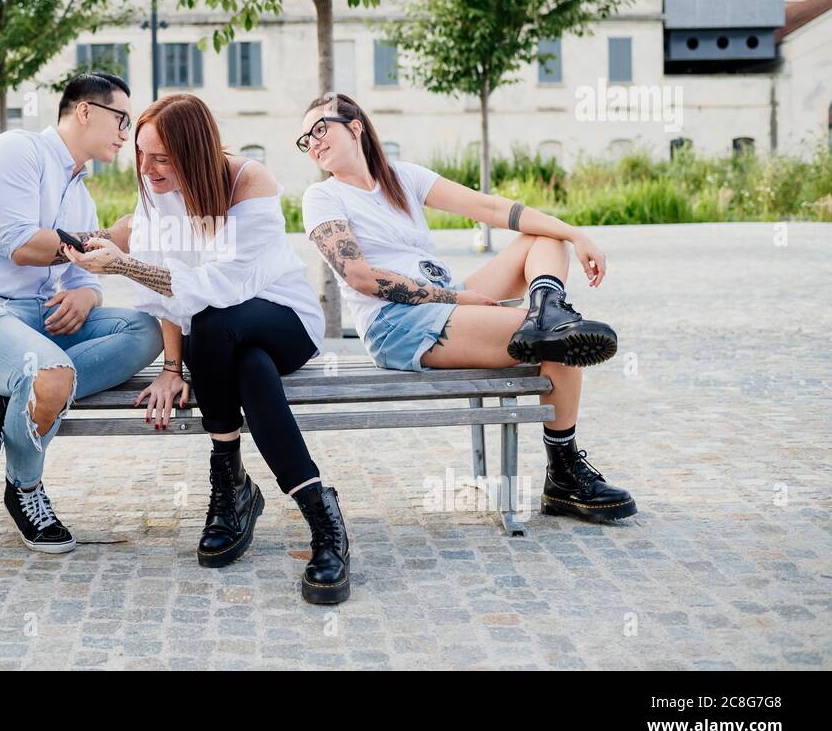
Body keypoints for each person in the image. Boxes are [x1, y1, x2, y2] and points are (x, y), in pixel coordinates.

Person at [65, 94, 350, 605]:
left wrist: (124, 265)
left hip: (283, 318)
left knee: (216, 324)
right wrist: (172, 366)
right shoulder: (155, 190)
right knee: (247, 367)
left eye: (162, 158)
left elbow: (221, 285)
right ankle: (318, 513)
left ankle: (231, 484)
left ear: (195, 152)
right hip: (226, 337)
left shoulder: (249, 181)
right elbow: (167, 292)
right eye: (141, 155)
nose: (147, 170)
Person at [299, 92, 636, 523]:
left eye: (320, 128)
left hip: (447, 298)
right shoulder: (322, 198)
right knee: (563, 339)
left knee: (545, 243)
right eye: (305, 139)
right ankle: (564, 472)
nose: (313, 142)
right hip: (397, 323)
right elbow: (361, 277)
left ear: (355, 126)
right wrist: (456, 297)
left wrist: (573, 233)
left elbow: (489, 207)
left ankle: (546, 312)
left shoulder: (400, 177)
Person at [0, 72, 162, 554]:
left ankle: (10, 395)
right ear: (84, 111)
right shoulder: (17, 150)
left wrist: (88, 297)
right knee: (50, 374)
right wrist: (103, 241)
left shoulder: (79, 193)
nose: (126, 133)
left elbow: (83, 277)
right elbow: (19, 245)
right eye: (121, 119)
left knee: (144, 329)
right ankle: (26, 488)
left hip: (37, 318)